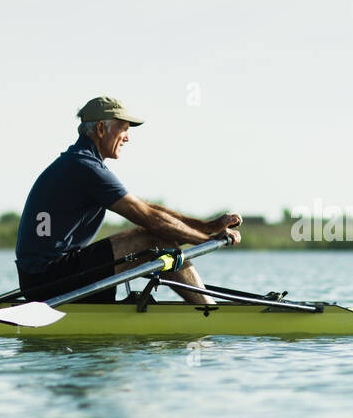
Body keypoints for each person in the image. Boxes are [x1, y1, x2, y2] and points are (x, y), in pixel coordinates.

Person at [14, 96, 241, 304]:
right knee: (153, 241)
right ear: (102, 128)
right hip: (47, 279)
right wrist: (205, 240)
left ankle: (204, 310)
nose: (128, 138)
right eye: (123, 129)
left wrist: (207, 226)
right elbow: (151, 220)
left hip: (45, 276)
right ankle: (208, 314)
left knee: (155, 239)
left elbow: (147, 209)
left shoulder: (80, 163)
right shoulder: (84, 167)